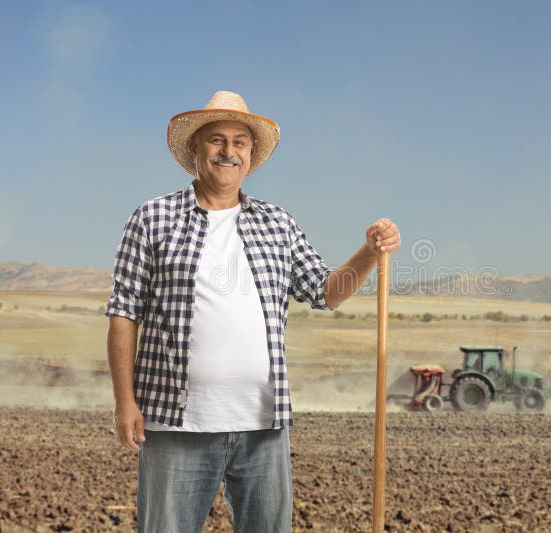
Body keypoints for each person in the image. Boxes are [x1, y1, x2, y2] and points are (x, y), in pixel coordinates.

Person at [104, 90, 400, 533]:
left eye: (239, 141)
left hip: (263, 426)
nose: (228, 151)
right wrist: (124, 402)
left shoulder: (276, 223)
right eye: (216, 140)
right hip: (174, 425)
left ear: (251, 153)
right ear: (195, 149)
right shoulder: (152, 218)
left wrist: (367, 253)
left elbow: (325, 292)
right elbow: (124, 312)